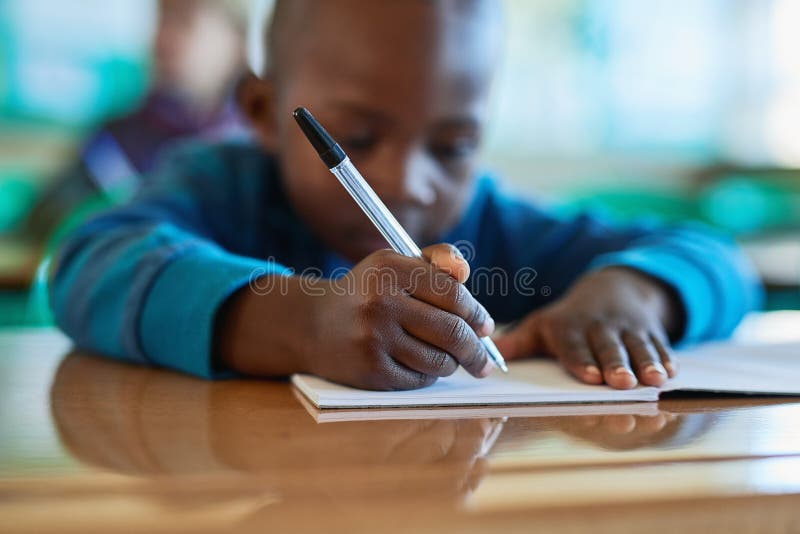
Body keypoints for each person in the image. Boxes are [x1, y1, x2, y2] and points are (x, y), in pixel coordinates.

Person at [49, 0, 762, 391]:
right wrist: (303, 324)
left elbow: (715, 258)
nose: (408, 184)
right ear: (265, 112)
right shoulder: (219, 184)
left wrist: (631, 293)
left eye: (452, 147)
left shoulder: (494, 225)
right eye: (358, 138)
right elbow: (87, 262)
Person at [25, 0, 248, 242]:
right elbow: (44, 218)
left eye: (184, 23)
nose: (161, 41)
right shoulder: (121, 136)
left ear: (236, 40)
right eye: (161, 20)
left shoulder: (255, 148)